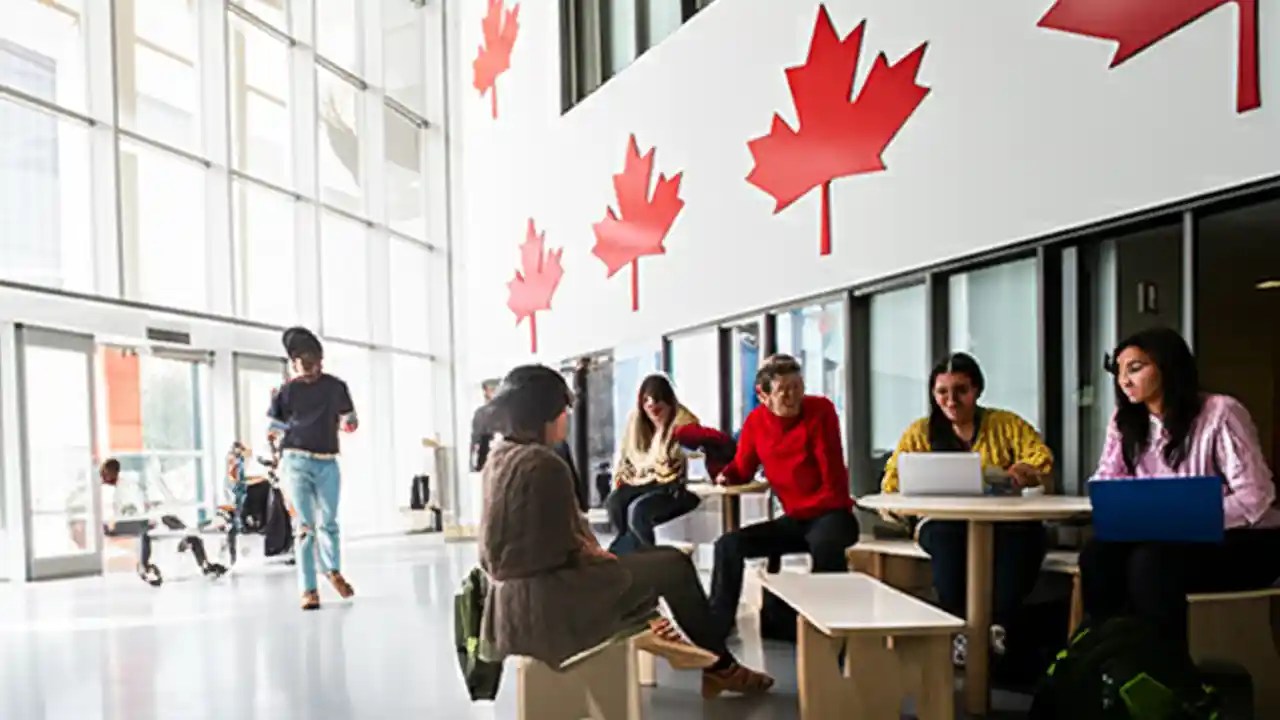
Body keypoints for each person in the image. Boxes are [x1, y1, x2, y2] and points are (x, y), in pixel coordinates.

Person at [477, 365, 773, 698]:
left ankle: (677, 637)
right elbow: (567, 551)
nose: (567, 418)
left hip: (510, 607)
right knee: (671, 566)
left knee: (642, 562)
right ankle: (720, 666)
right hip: (549, 604)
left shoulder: (499, 459)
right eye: (564, 410)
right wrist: (607, 563)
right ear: (545, 413)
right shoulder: (543, 465)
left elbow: (500, 551)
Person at [1080, 326, 1280, 656]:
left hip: (1247, 540)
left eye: (1135, 368)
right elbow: (1107, 481)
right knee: (1097, 554)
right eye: (1119, 371)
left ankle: (1168, 673)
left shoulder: (1221, 412)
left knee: (1151, 563)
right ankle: (1112, 661)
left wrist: (1185, 521)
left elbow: (1256, 496)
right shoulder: (1125, 422)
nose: (1124, 380)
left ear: (1167, 366)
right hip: (1165, 540)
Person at [880, 352, 1053, 663]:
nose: (951, 400)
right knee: (948, 538)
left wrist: (1023, 471)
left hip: (1004, 520)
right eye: (942, 392)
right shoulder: (920, 432)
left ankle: (999, 625)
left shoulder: (1006, 423)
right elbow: (891, 480)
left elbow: (1039, 456)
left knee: (1025, 536)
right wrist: (903, 502)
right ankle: (959, 627)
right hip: (943, 523)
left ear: (977, 390)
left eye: (961, 390)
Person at [708, 354, 859, 640]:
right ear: (763, 396)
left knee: (825, 544)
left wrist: (803, 512)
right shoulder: (755, 423)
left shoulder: (820, 411)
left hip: (832, 514)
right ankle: (716, 625)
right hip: (795, 520)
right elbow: (743, 467)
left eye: (797, 386)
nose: (793, 396)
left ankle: (831, 628)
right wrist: (726, 475)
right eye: (783, 390)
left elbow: (834, 482)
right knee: (728, 545)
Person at [268, 327, 358, 611]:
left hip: (327, 461)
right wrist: (274, 449)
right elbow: (275, 428)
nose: (304, 370)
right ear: (293, 364)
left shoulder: (336, 387)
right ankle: (308, 589)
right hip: (295, 461)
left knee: (329, 522)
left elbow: (350, 419)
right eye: (298, 365)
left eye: (309, 363)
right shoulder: (287, 391)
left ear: (320, 360)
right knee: (305, 527)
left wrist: (349, 424)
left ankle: (333, 570)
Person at [605, 374, 702, 554]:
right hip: (647, 483)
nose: (652, 406)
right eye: (647, 401)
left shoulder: (682, 426)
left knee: (639, 511)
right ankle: (629, 551)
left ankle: (648, 560)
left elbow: (676, 463)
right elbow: (628, 458)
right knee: (615, 502)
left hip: (675, 489)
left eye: (658, 401)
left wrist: (664, 429)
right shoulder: (637, 425)